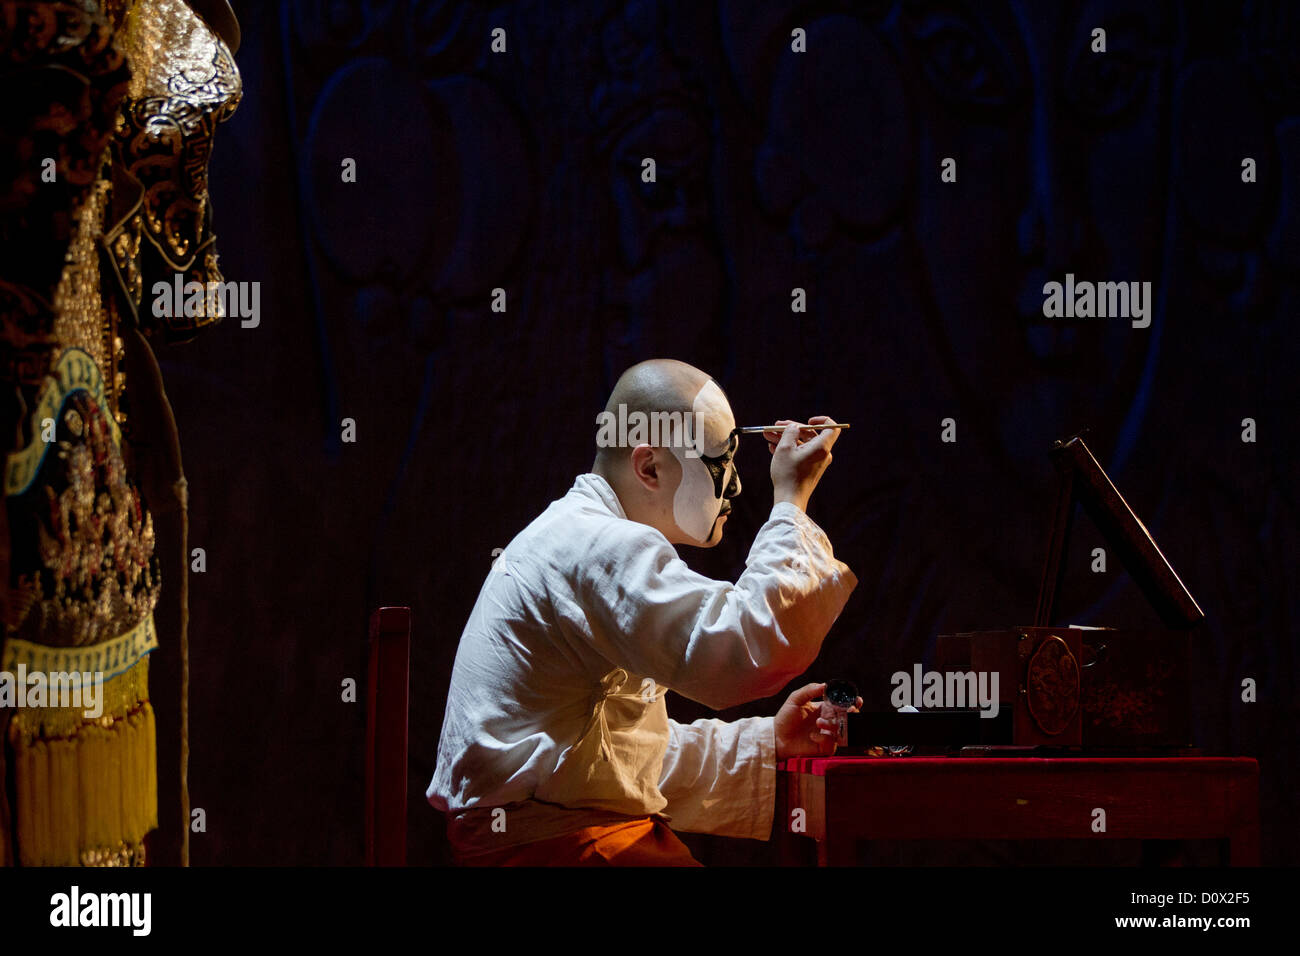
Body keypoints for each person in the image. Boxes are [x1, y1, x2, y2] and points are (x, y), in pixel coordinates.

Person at [427, 359, 858, 864]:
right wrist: (790, 499)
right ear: (650, 466)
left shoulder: (577, 535)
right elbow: (749, 648)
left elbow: (617, 756)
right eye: (722, 461)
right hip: (552, 848)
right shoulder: (594, 545)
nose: (738, 486)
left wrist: (766, 742)